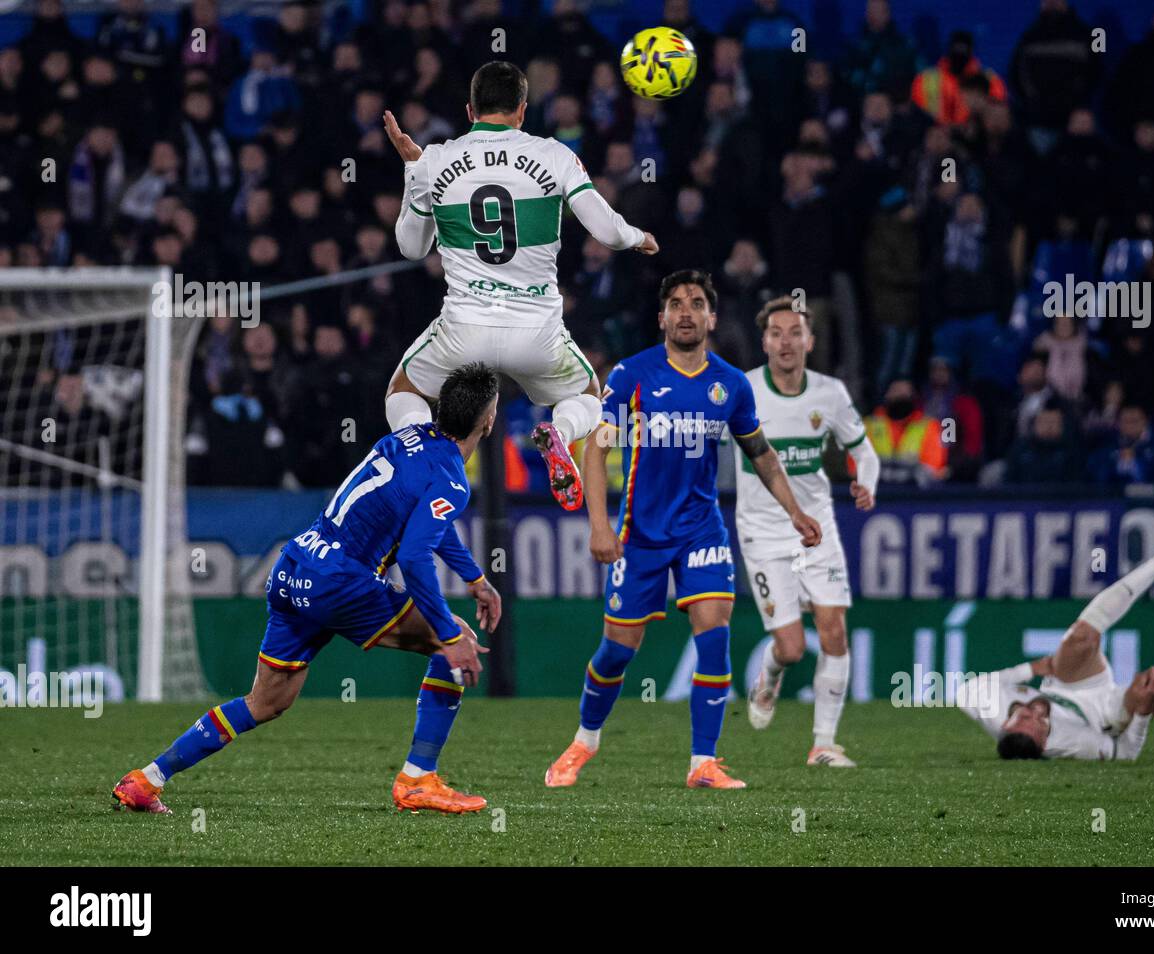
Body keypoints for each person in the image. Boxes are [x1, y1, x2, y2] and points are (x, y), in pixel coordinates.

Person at [112, 364, 505, 815]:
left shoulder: (409, 437)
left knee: (265, 702)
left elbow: (428, 526)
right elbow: (416, 556)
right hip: (343, 581)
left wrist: (474, 578)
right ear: (488, 420)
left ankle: (146, 779)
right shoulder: (452, 477)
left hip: (296, 565)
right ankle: (418, 780)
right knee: (454, 644)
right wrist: (449, 634)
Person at [544, 270, 821, 790]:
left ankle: (703, 763)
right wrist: (599, 526)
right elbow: (597, 449)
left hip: (702, 531)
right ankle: (585, 740)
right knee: (617, 651)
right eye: (676, 303)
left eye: (696, 303)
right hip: (640, 535)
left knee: (714, 640)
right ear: (662, 318)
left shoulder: (731, 384)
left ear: (712, 318)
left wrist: (795, 512)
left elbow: (761, 454)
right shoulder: (632, 376)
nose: (686, 311)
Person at [384, 61, 658, 511]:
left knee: (404, 392)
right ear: (523, 111)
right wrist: (638, 238)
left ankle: (427, 463)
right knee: (590, 396)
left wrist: (414, 172)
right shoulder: (553, 155)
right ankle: (559, 434)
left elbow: (411, 248)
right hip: (537, 332)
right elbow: (606, 231)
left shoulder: (434, 159)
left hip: (464, 330)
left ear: (470, 109)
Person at [957, 517, 1154, 760]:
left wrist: (1032, 670)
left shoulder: (992, 712)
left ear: (1004, 726)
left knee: (1080, 637)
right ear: (1046, 744)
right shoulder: (1072, 746)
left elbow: (966, 690)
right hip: (1103, 712)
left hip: (1064, 687)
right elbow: (1125, 754)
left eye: (1020, 719)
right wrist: (1141, 715)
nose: (1032, 717)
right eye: (1039, 728)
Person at [739, 297, 880, 767]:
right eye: (776, 333)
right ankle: (770, 676)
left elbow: (865, 450)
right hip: (762, 531)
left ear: (810, 341)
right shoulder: (744, 391)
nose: (786, 341)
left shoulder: (831, 394)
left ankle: (823, 744)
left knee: (835, 629)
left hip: (815, 527)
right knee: (793, 647)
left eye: (795, 332)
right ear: (764, 342)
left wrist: (866, 482)